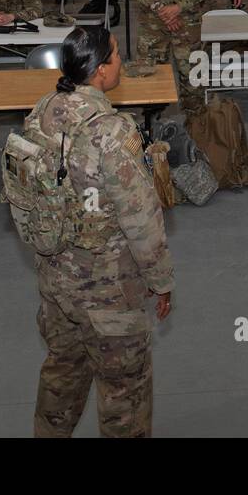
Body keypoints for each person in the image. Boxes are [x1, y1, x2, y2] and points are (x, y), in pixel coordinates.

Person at [16, 25, 174, 438]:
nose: (121, 60)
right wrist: (160, 281)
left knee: (62, 371)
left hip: (55, 280)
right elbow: (140, 218)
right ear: (101, 70)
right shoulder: (114, 131)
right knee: (125, 388)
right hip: (108, 291)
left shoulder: (44, 109)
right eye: (118, 55)